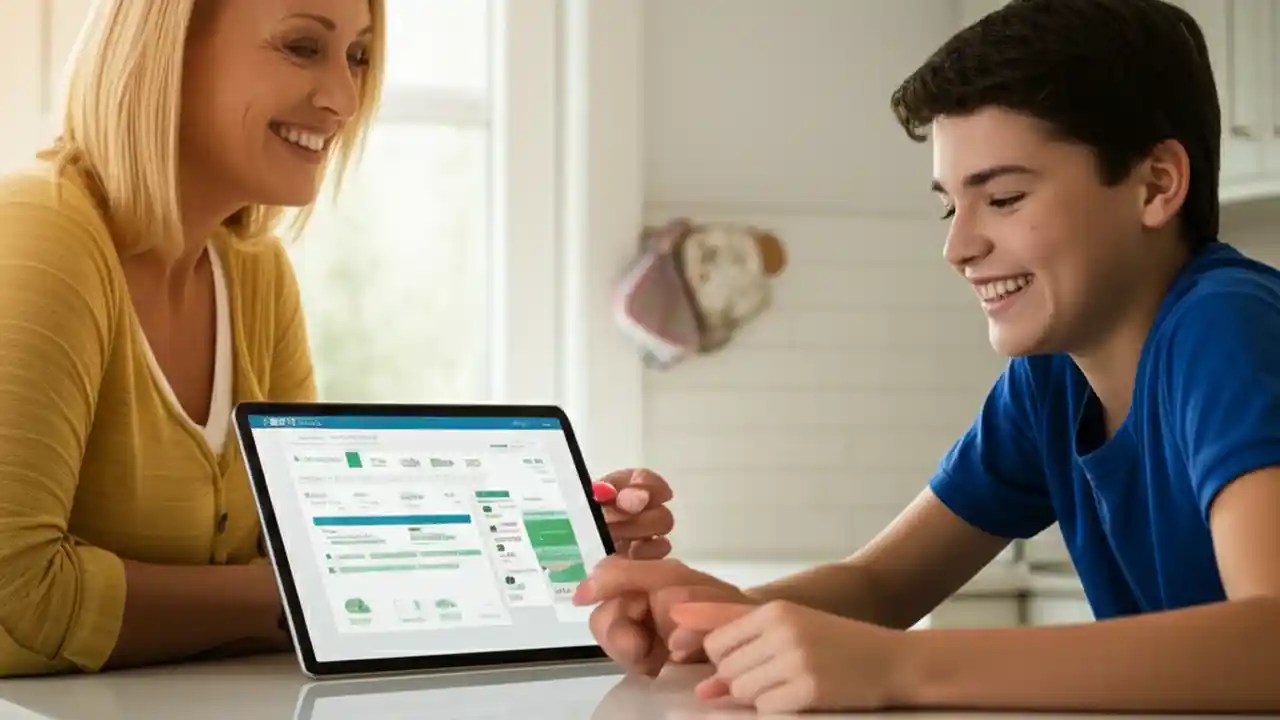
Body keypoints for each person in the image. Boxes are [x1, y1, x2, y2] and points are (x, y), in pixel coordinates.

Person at [577, 0, 1280, 713]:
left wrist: (899, 666)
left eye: (1002, 197)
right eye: (950, 206)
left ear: (1157, 184)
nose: (958, 247)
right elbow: (879, 587)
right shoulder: (1050, 383)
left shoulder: (1226, 326)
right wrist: (706, 618)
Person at [0, 0, 675, 678]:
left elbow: (297, 541)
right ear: (165, 49)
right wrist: (337, 591)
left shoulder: (255, 272)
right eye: (301, 47)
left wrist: (518, 549)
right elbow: (16, 591)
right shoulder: (38, 234)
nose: (346, 99)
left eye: (357, 56)